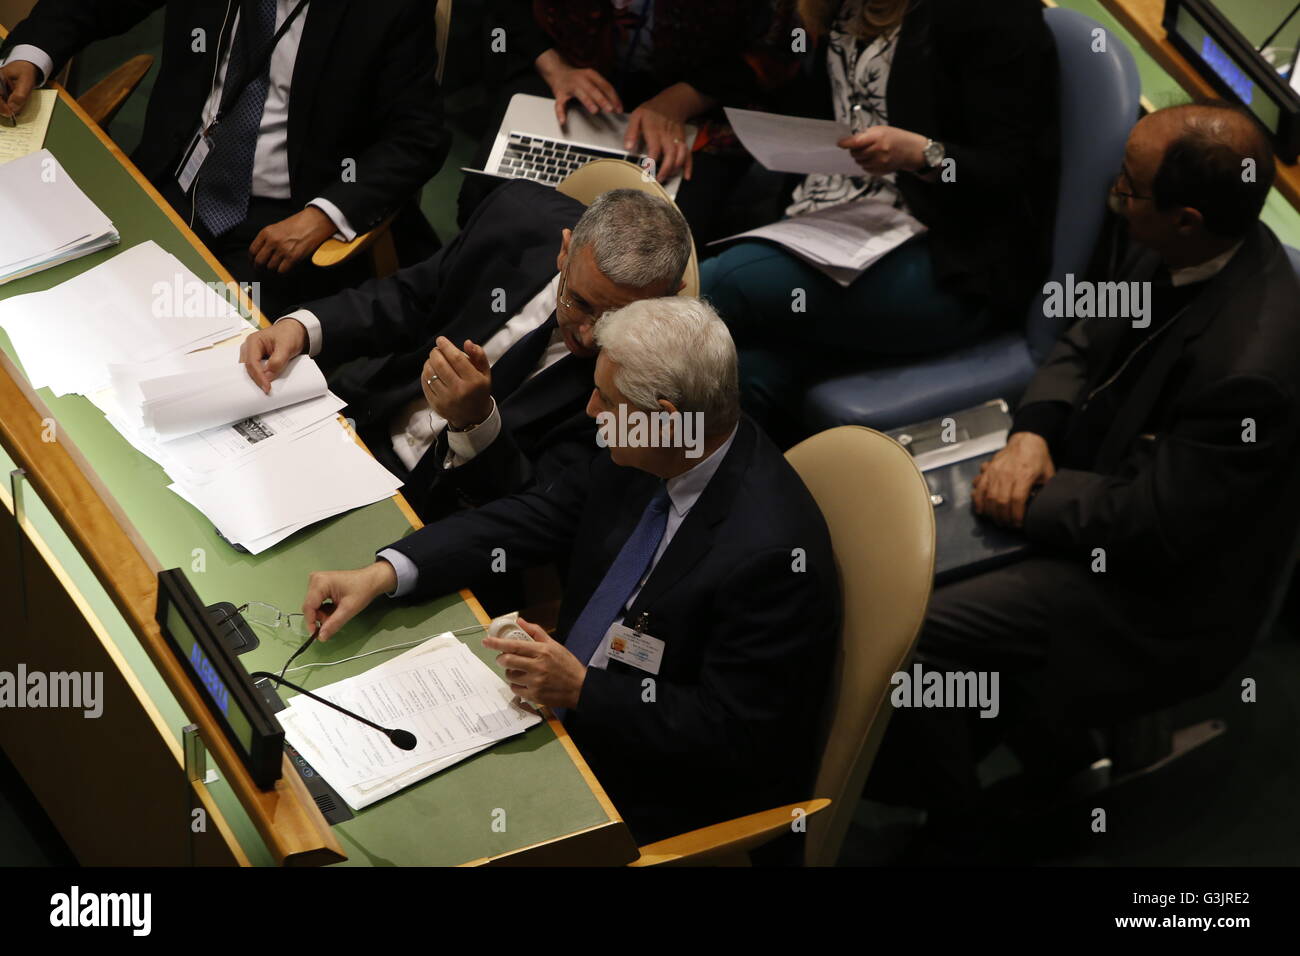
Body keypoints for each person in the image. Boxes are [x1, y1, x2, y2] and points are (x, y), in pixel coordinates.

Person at [866, 103, 1300, 830]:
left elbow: (1156, 525)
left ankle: (951, 824)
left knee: (921, 628)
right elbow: (1083, 335)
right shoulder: (1165, 238)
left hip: (1159, 596)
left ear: (1187, 218)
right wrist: (1033, 433)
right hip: (1084, 489)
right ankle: (1027, 744)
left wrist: (1023, 498)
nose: (1113, 197)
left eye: (1128, 188)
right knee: (888, 530)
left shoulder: (1251, 368)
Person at [296, 297, 839, 846]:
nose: (590, 410)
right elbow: (534, 516)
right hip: (557, 708)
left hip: (650, 788)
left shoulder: (772, 557)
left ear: (667, 417)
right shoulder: (657, 448)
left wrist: (584, 690)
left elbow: (735, 735)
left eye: (606, 397)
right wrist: (386, 572)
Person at [701, 0, 1059, 446]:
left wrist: (923, 154)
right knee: (745, 375)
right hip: (835, 220)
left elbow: (1012, 173)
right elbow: (826, 103)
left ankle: (590, 366)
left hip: (950, 258)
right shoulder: (840, 7)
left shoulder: (993, 14)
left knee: (718, 283)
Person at [239, 183, 692, 526]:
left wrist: (477, 425)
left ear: (669, 299)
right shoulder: (515, 219)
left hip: (441, 514)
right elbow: (412, 298)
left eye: (615, 319)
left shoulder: (647, 386)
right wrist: (300, 329)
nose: (590, 336)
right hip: (363, 423)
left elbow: (541, 509)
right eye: (581, 303)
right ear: (565, 250)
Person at [0, 0, 449, 317]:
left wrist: (324, 215)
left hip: (280, 224)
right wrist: (32, 55)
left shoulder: (390, 7)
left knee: (185, 341)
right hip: (170, 181)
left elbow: (417, 137)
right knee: (52, 285)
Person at [462, 0, 773, 242]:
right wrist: (556, 69)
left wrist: (678, 102)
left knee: (667, 231)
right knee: (487, 199)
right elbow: (506, 10)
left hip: (699, 95)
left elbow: (774, 51)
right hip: (567, 65)